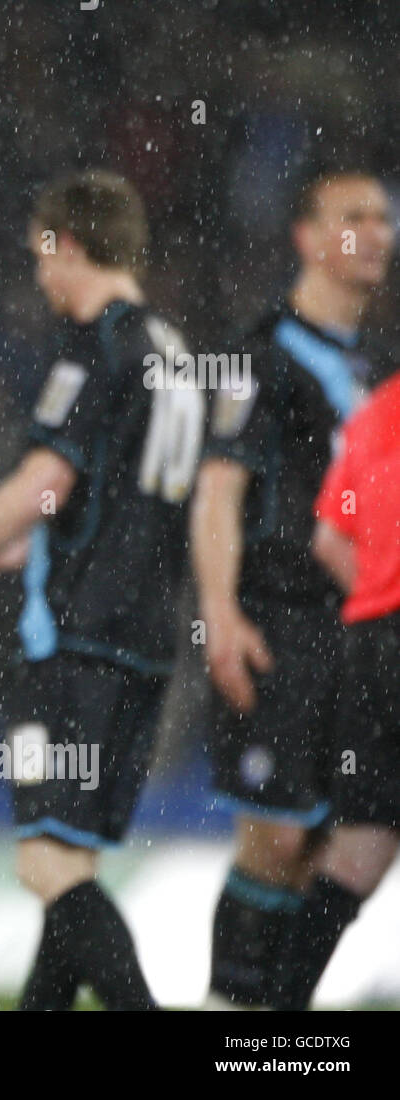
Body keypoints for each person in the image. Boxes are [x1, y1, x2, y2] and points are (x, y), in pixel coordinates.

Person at [0, 170, 205, 1010]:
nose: (37, 275)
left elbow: (45, 480)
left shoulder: (97, 347)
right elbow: (119, 500)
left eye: (41, 256)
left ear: (70, 246)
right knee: (70, 867)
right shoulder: (173, 352)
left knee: (46, 865)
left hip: (75, 645)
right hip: (141, 648)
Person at [189, 168, 394, 1008]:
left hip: (354, 629)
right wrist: (221, 613)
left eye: (384, 218)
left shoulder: (368, 368)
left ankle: (272, 1022)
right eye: (353, 217)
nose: (376, 232)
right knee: (274, 833)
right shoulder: (261, 353)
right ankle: (230, 1007)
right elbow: (217, 490)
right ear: (307, 239)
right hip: (279, 617)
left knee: (320, 836)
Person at [270, 369, 400, 1008]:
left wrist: (381, 594)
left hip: (371, 645)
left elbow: (327, 540)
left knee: (356, 855)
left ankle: (281, 1036)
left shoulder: (373, 412)